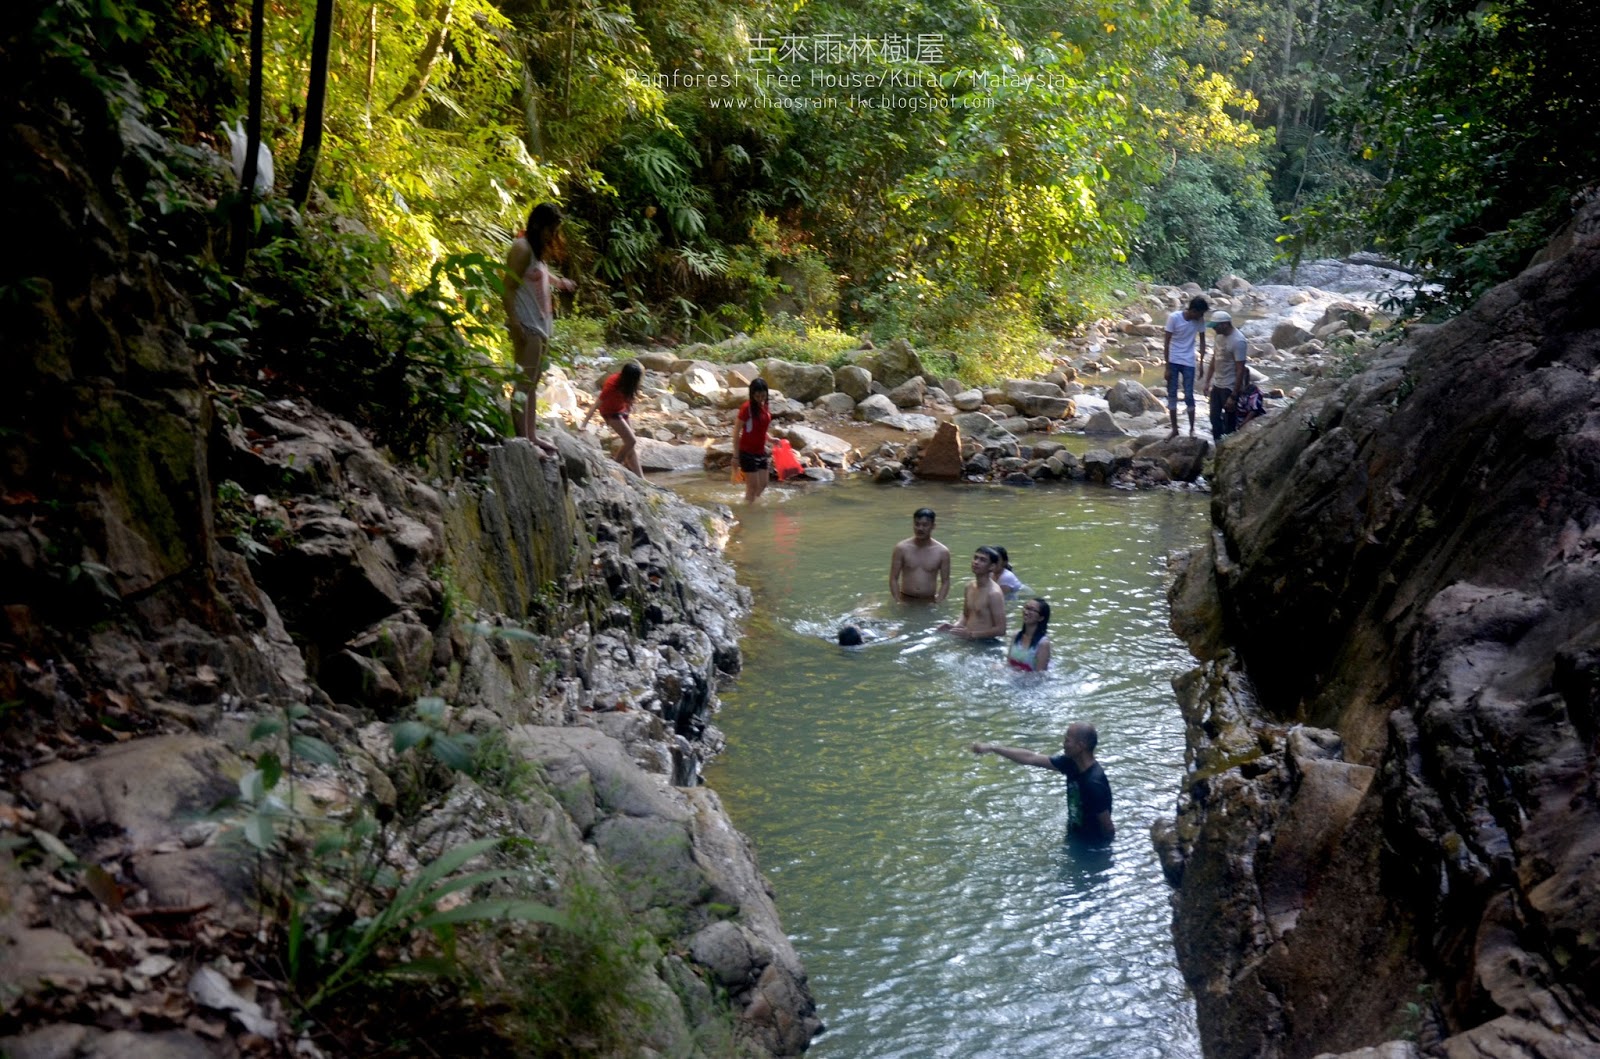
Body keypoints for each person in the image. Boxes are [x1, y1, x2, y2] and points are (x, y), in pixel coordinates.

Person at [503, 203, 577, 453]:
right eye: (550, 229)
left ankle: (531, 436)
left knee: (533, 383)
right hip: (527, 325)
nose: (552, 235)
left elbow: (538, 275)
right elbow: (507, 287)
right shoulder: (521, 248)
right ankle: (523, 441)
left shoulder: (534, 250)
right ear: (537, 224)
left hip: (541, 324)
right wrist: (514, 324)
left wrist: (561, 282)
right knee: (524, 383)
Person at [970, 722, 1114, 842]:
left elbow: (1108, 828)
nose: (1063, 744)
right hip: (1075, 836)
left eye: (1067, 740)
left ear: (1080, 746)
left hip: (1091, 845)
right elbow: (1030, 758)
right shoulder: (1071, 764)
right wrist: (993, 748)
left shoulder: (1094, 783)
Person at [581, 360, 644, 476]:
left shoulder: (628, 384)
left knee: (631, 446)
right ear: (630, 378)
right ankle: (615, 466)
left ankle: (642, 479)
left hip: (621, 410)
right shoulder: (612, 385)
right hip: (610, 412)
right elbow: (596, 404)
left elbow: (629, 398)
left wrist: (628, 410)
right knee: (631, 441)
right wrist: (583, 424)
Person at [1163, 296, 1209, 439]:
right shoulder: (1174, 318)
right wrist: (1167, 367)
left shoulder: (1199, 320)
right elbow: (1166, 343)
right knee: (1172, 394)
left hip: (1189, 360)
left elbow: (1202, 342)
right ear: (1194, 310)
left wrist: (1201, 364)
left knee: (1189, 394)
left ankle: (1192, 429)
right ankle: (1175, 429)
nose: (1202, 316)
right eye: (1200, 313)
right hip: (1174, 360)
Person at [937, 546, 1007, 640]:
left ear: (992, 566)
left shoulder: (994, 594)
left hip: (985, 644)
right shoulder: (969, 586)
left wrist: (972, 634)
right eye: (975, 558)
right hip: (967, 639)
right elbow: (966, 614)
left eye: (982, 560)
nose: (976, 562)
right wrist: (955, 627)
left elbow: (1001, 630)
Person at [1202, 311, 1249, 440]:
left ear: (1225, 324)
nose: (1213, 328)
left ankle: (1229, 446)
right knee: (1214, 418)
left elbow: (1240, 369)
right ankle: (1218, 444)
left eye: (1215, 326)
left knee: (1230, 421)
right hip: (1217, 384)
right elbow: (1214, 359)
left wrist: (1234, 395)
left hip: (1230, 386)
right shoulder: (1219, 337)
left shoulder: (1238, 341)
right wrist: (1207, 382)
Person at [889, 508, 951, 603]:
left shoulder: (942, 552)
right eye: (917, 524)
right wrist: (898, 601)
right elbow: (893, 578)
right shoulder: (901, 548)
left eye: (925, 525)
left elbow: (945, 582)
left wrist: (938, 602)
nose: (920, 528)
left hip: (929, 601)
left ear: (933, 526)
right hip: (905, 599)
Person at [736, 378, 773, 504]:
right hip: (747, 452)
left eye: (763, 395)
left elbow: (760, 428)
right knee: (752, 487)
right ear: (752, 394)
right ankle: (748, 511)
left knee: (763, 485)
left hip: (761, 451)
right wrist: (735, 457)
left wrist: (771, 439)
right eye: (757, 396)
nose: (760, 399)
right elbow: (736, 432)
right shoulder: (746, 408)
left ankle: (749, 502)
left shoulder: (765, 405)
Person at [1007, 598, 1051, 672]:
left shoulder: (1043, 644)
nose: (1026, 612)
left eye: (1032, 610)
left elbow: (1039, 675)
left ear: (1041, 618)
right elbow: (1008, 664)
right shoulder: (1016, 635)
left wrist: (1017, 674)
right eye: (1026, 608)